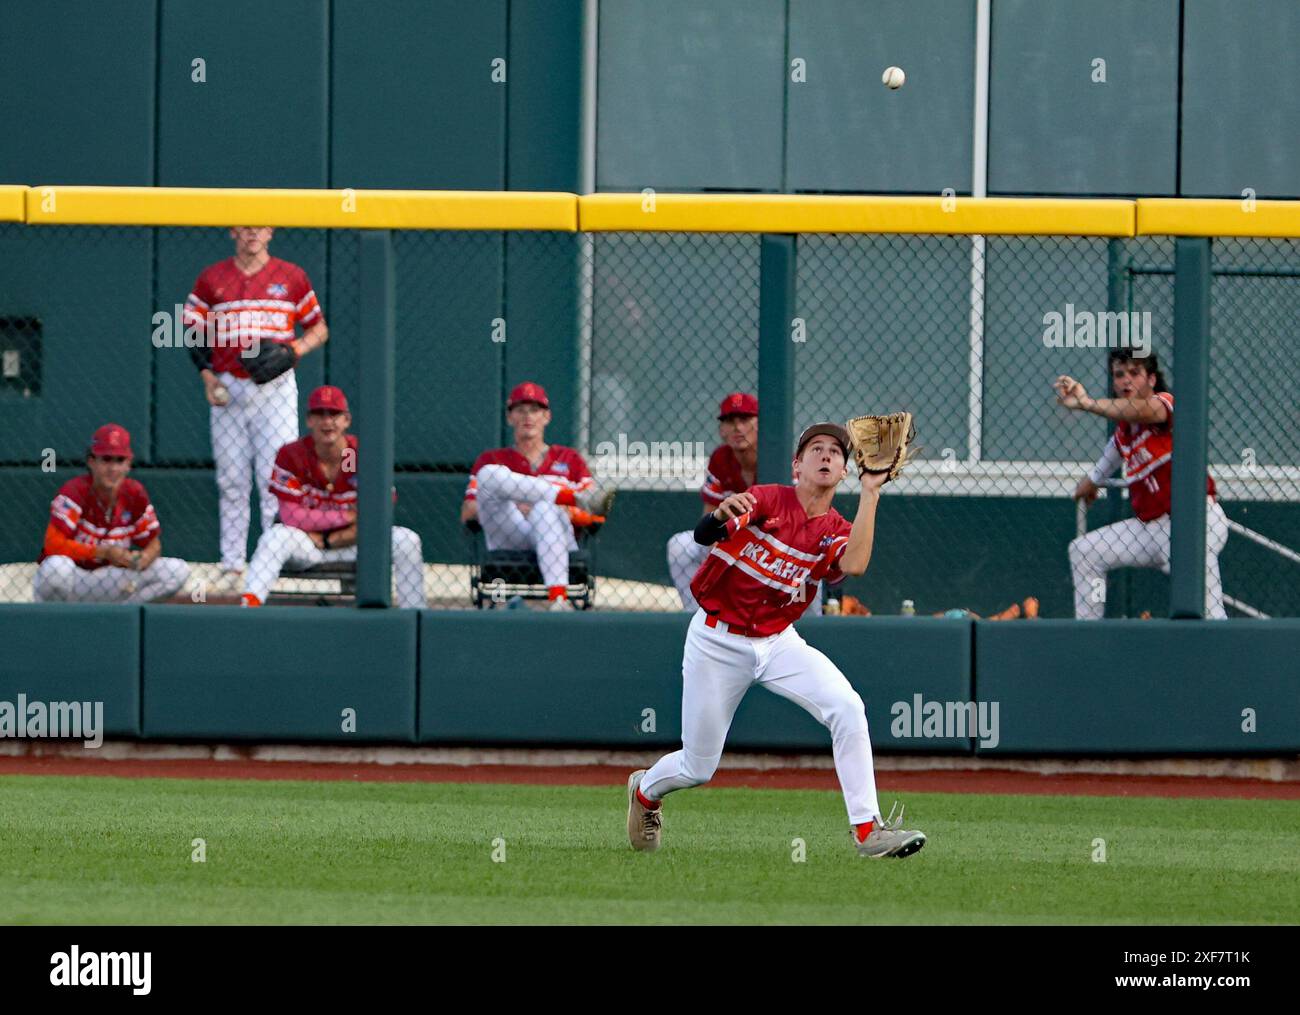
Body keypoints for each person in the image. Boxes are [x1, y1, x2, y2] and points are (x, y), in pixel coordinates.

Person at [626, 423, 927, 859]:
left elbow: (856, 563)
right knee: (697, 767)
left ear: (844, 469)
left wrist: (871, 493)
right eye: (815, 449)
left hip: (778, 642)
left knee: (847, 707)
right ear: (797, 465)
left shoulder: (834, 528)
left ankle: (867, 831)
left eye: (836, 453)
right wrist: (719, 516)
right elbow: (703, 535)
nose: (826, 456)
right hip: (717, 642)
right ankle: (645, 792)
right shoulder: (768, 500)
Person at [184, 226, 328, 591]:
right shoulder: (211, 277)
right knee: (231, 479)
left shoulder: (291, 275)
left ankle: (271, 562)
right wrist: (207, 375)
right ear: (233, 230)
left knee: (274, 478)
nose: (252, 233)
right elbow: (191, 328)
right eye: (245, 225)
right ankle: (232, 566)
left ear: (271, 231)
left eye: (259, 225)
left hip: (275, 388)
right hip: (229, 387)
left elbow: (319, 328)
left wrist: (293, 351)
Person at [1056, 348, 1228, 620]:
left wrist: (1086, 403)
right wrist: (1090, 483)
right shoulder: (1123, 433)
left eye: (1135, 373)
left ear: (1151, 379)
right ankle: (1088, 635)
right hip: (1149, 530)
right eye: (1119, 374)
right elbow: (1105, 463)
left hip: (1196, 520)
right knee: (1083, 551)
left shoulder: (1164, 403)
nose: (1126, 381)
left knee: (1202, 594)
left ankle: (1222, 642)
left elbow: (1145, 410)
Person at [241, 386, 425, 609]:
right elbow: (292, 518)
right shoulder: (292, 454)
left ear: (346, 420)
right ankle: (248, 608)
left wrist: (330, 537)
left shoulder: (362, 454)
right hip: (308, 545)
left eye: (334, 414)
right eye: (319, 414)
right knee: (275, 537)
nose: (327, 422)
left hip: (359, 545)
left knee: (407, 540)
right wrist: (348, 516)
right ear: (309, 420)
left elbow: (376, 517)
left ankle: (415, 614)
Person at [666, 393, 827, 615]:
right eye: (730, 421)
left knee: (809, 562)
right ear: (721, 430)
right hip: (732, 546)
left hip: (780, 551)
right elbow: (709, 520)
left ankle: (813, 625)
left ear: (761, 423)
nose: (737, 428)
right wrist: (725, 558)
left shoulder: (782, 460)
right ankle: (698, 618)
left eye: (745, 419)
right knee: (679, 546)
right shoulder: (720, 459)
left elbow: (801, 525)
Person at [460, 381, 614, 611]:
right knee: (488, 474)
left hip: (557, 535)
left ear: (547, 416)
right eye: (520, 410)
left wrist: (551, 507)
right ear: (510, 417)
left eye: (535, 410)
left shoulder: (570, 458)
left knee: (544, 509)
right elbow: (469, 512)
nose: (527, 417)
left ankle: (558, 599)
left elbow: (594, 514)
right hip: (511, 535)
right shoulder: (492, 457)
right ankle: (566, 496)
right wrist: (517, 502)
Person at [33, 424, 189, 603]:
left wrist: (142, 558)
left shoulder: (134, 493)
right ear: (91, 462)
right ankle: (58, 623)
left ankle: (119, 617)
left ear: (128, 465)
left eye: (120, 460)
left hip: (110, 581)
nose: (113, 468)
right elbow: (52, 545)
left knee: (177, 570)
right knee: (56, 568)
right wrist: (103, 552)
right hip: (74, 579)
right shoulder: (75, 491)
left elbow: (153, 543)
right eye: (106, 459)